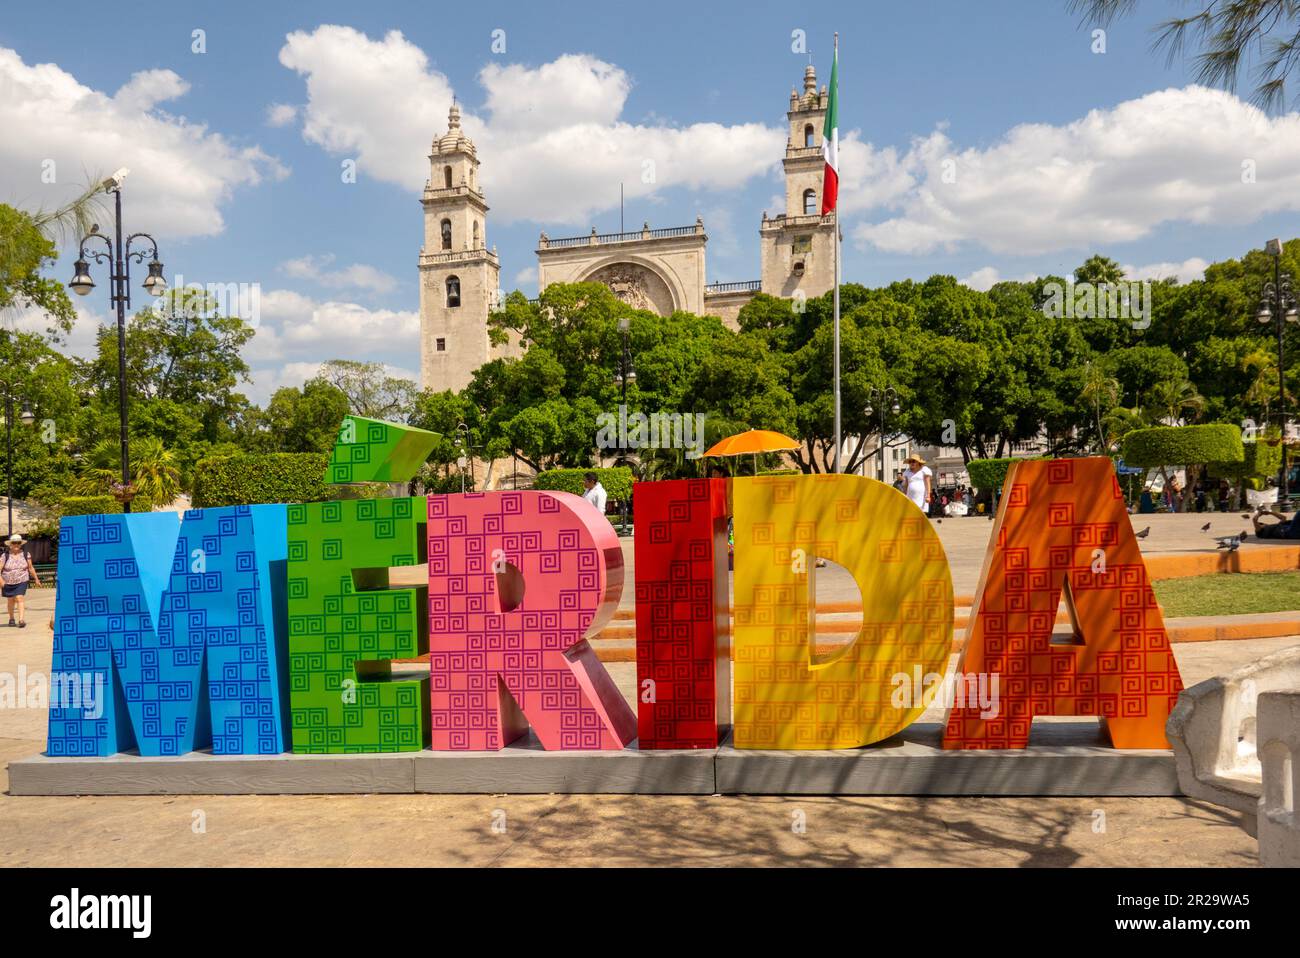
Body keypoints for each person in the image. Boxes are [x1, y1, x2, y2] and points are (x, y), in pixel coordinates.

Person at [2, 533, 41, 628]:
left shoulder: (25, 554)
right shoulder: (5, 555)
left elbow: (30, 568)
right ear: (10, 544)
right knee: (11, 600)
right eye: (14, 543)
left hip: (22, 580)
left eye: (18, 543)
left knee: (19, 598)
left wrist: (36, 579)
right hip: (7, 581)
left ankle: (21, 620)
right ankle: (11, 618)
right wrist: (1, 582)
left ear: (21, 544)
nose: (16, 545)